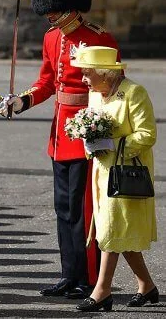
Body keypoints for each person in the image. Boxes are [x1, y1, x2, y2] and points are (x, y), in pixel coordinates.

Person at [0, 0, 120, 299]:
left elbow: (111, 88)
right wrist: (21, 101)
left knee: (85, 212)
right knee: (63, 209)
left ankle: (89, 278)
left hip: (87, 135)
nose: (49, 15)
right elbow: (48, 82)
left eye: (52, 8)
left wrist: (99, 126)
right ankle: (69, 274)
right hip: (58, 137)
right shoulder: (53, 38)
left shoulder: (98, 38)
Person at [69, 47, 159, 312]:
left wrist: (115, 144)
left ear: (105, 74)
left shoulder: (134, 93)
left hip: (128, 173)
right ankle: (147, 285)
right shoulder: (95, 94)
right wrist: (89, 142)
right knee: (119, 231)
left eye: (87, 74)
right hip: (102, 171)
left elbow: (147, 134)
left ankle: (102, 290)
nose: (84, 79)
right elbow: (90, 129)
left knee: (110, 231)